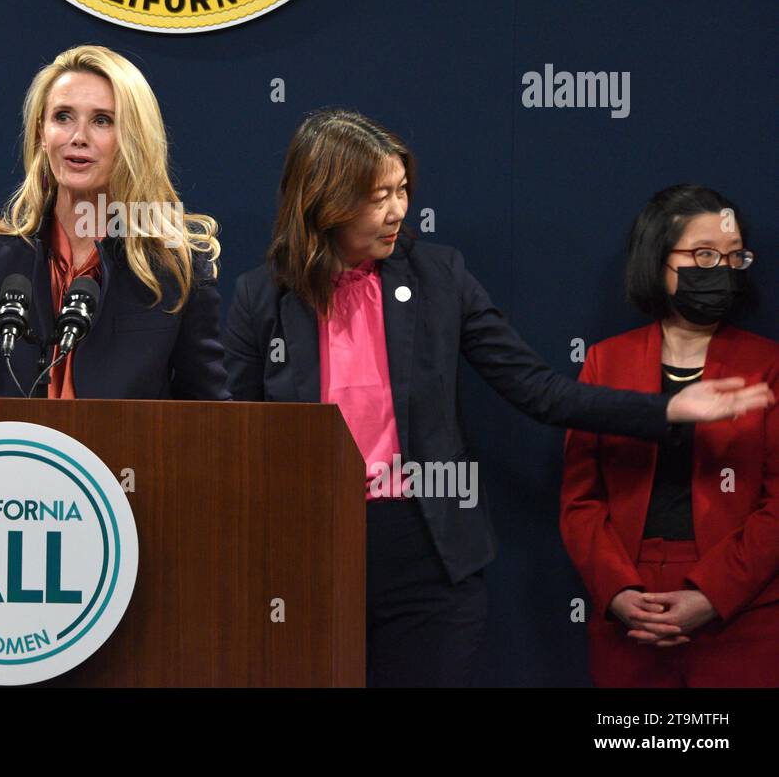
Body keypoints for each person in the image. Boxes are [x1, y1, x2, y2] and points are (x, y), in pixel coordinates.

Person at [222, 109, 774, 687]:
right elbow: (233, 436)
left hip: (428, 555)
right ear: (325, 200)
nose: (397, 211)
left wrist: (665, 409)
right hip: (307, 553)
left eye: (403, 190)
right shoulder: (261, 297)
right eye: (376, 195)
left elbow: (537, 390)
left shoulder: (440, 276)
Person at [560, 185, 778, 687]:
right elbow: (580, 499)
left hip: (743, 608)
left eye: (733, 256)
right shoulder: (605, 361)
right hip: (631, 609)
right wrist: (617, 592)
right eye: (703, 254)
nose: (720, 269)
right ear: (658, 258)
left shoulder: (769, 364)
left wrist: (711, 595)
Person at [0, 44, 228, 400]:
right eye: (63, 117)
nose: (78, 137)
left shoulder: (175, 268)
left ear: (132, 138)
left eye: (102, 120)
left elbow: (208, 414)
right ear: (41, 133)